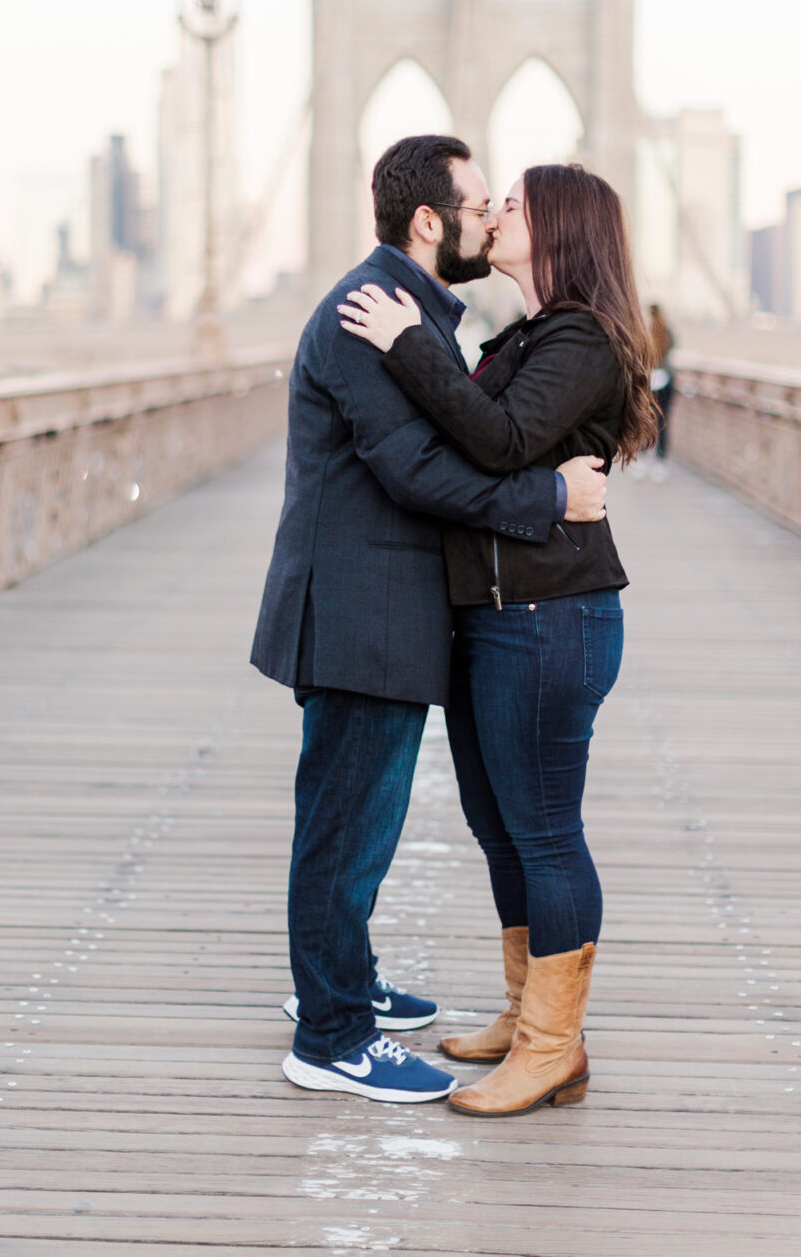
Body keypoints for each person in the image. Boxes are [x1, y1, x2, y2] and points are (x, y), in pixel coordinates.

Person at [251, 136, 609, 1105]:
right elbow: (414, 467)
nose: (490, 216)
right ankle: (330, 1035)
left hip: (382, 611)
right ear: (428, 221)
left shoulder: (411, 313)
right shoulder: (369, 313)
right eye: (478, 201)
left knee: (357, 818)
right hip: (357, 615)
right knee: (346, 827)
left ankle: (345, 984)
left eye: (506, 206)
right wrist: (547, 496)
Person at [338, 161, 657, 1116]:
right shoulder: (527, 333)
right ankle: (527, 1017)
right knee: (499, 824)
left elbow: (500, 437)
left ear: (560, 227)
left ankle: (556, 1047)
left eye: (513, 202)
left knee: (547, 832)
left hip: (550, 619)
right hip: (498, 615)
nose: (495, 212)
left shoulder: (583, 340)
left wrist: (405, 341)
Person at [648, 302, 675, 475]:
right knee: (663, 421)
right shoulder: (668, 332)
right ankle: (660, 461)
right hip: (666, 377)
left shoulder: (646, 332)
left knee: (646, 420)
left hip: (650, 380)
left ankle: (642, 459)